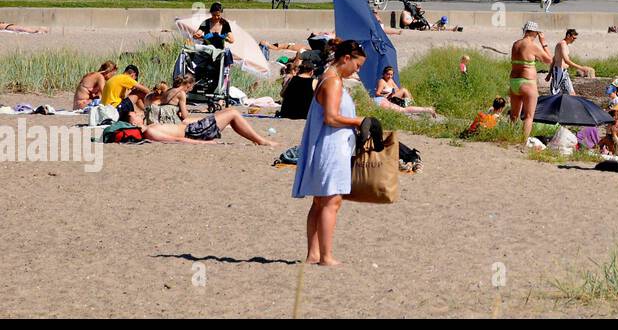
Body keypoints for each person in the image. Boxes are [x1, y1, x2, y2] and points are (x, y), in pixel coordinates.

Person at [293, 39, 367, 267]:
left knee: (319, 201)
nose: (357, 70)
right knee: (331, 201)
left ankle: (313, 254)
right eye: (357, 65)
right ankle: (325, 256)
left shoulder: (329, 77)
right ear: (346, 58)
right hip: (331, 146)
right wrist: (359, 120)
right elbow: (331, 117)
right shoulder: (333, 81)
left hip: (328, 144)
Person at [141, 106, 275, 146]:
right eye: (134, 115)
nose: (137, 114)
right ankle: (261, 141)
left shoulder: (151, 126)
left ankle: (258, 139)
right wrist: (205, 143)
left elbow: (181, 124)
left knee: (230, 111)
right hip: (195, 132)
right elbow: (177, 140)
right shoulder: (150, 132)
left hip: (194, 128)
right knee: (233, 113)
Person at [509, 22, 552, 143]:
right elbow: (549, 60)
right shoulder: (532, 45)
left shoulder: (515, 44)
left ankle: (509, 138)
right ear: (534, 32)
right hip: (527, 82)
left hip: (514, 81)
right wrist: (544, 43)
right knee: (528, 116)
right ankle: (523, 142)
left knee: (514, 115)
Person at [373, 65, 438, 116]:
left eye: (391, 75)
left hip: (391, 97)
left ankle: (412, 104)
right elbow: (377, 93)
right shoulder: (382, 81)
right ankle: (413, 105)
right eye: (388, 74)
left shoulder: (391, 80)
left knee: (404, 90)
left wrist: (394, 94)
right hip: (386, 99)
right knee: (404, 90)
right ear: (384, 74)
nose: (389, 76)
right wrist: (385, 95)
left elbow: (397, 89)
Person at [550, 28, 594, 94]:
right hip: (558, 71)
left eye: (575, 38)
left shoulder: (565, 45)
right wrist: (581, 68)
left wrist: (549, 73)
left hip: (564, 72)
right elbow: (566, 60)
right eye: (573, 38)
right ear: (568, 36)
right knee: (554, 93)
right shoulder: (562, 44)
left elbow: (554, 58)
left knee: (571, 93)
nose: (574, 40)